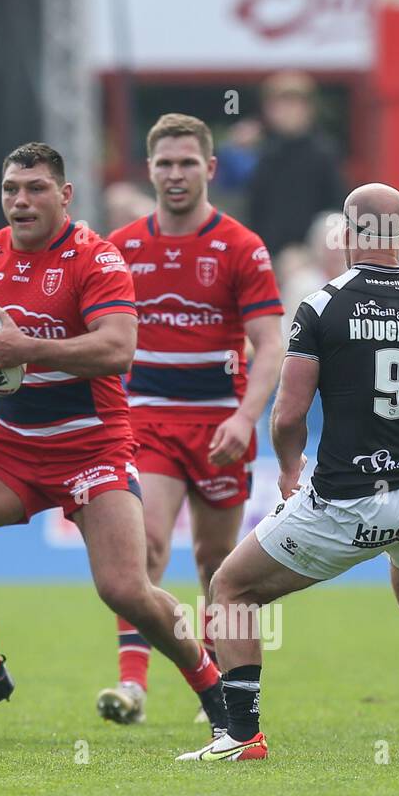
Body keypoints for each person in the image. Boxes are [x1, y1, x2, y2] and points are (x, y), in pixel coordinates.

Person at [0, 142, 229, 740]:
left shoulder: (95, 259)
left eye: (35, 189)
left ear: (64, 195)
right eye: (10, 189)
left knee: (125, 590)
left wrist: (26, 348)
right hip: (11, 442)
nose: (20, 201)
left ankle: (214, 687)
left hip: (92, 446)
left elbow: (117, 348)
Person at [180, 183, 399, 761]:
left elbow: (289, 413)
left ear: (348, 234)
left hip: (346, 499)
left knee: (230, 587)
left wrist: (287, 471)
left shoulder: (323, 305)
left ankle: (241, 734)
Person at [95, 114, 285, 727]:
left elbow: (270, 344)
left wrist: (245, 416)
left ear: (210, 167)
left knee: (216, 562)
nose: (175, 174)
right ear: (148, 171)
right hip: (146, 418)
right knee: (146, 545)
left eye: (187, 163)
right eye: (164, 164)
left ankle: (227, 687)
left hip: (221, 426)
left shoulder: (240, 246)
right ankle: (133, 686)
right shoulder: (120, 247)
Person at [246, 71, 345, 258]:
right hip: (266, 254)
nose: (288, 112)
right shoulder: (262, 154)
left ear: (309, 109)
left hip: (313, 258)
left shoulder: (324, 153)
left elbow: (334, 210)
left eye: (294, 104)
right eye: (280, 105)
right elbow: (254, 210)